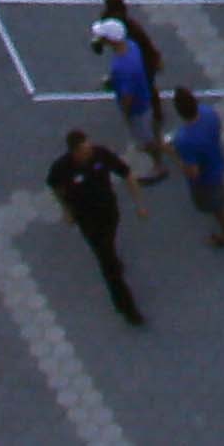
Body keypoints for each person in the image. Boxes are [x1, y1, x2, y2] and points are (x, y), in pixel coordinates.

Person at [45, 129, 149, 324]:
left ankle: (112, 257)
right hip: (88, 220)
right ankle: (126, 307)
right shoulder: (62, 167)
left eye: (89, 147)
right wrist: (66, 210)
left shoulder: (100, 154)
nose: (89, 151)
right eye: (84, 150)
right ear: (74, 152)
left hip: (109, 213)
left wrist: (139, 204)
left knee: (109, 244)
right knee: (108, 266)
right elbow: (54, 185)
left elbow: (126, 173)